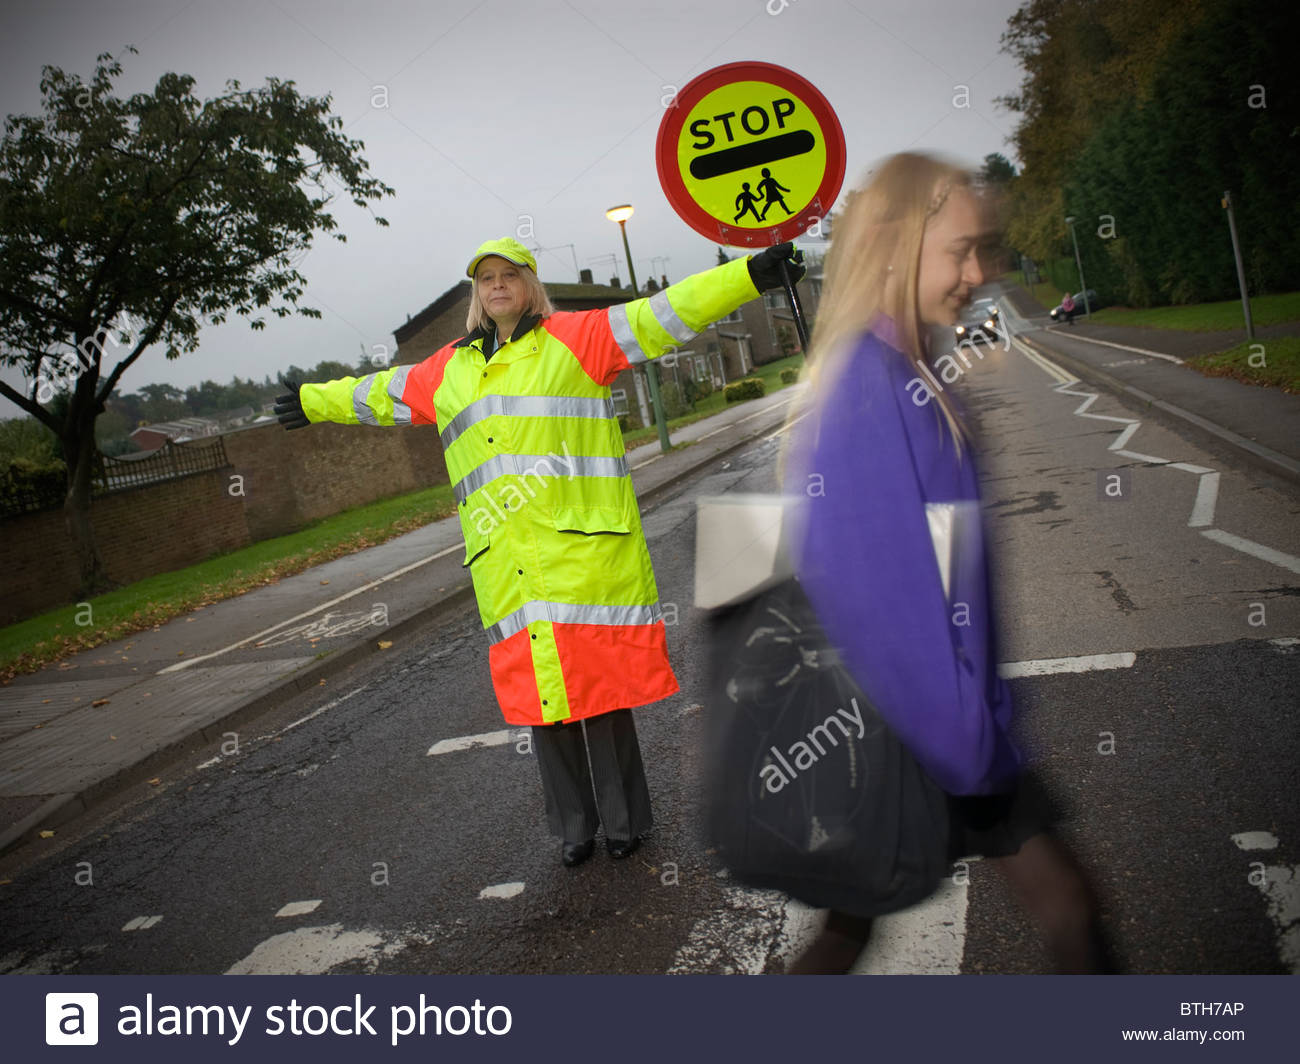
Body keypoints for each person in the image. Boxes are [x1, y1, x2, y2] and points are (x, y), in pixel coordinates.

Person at [276, 236, 803, 867]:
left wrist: (749, 274)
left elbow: (665, 313)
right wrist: (312, 401)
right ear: (477, 294)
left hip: (582, 556)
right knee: (543, 705)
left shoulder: (576, 338)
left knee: (599, 695)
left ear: (529, 285)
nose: (497, 286)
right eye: (486, 279)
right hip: (507, 566)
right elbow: (376, 393)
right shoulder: (446, 369)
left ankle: (624, 822)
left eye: (509, 275)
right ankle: (574, 829)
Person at [778, 153, 1114, 973]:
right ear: (896, 247)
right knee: (1070, 911)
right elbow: (880, 597)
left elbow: (947, 563)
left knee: (847, 932)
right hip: (922, 732)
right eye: (961, 251)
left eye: (983, 250)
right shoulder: (870, 385)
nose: (980, 273)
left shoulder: (910, 368)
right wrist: (971, 744)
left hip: (929, 725)